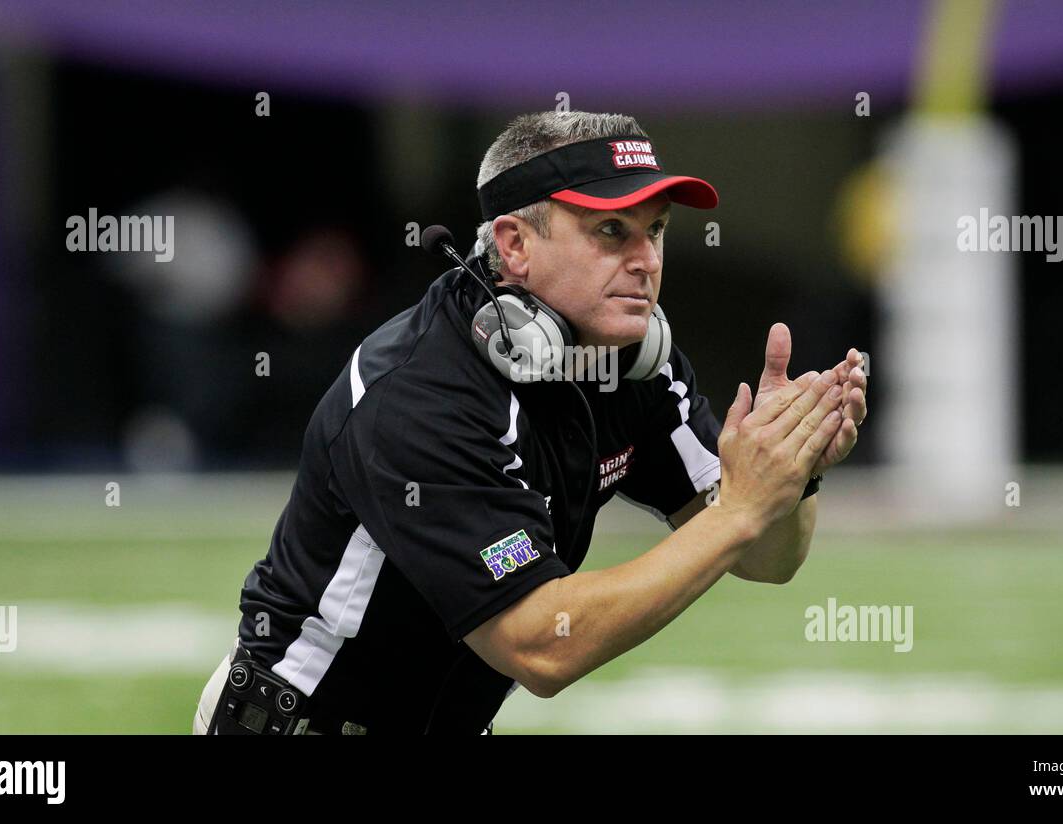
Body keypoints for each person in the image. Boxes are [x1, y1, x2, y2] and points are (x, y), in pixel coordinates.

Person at [194, 111, 867, 735]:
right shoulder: (419, 394)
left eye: (655, 229)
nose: (647, 260)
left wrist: (790, 473)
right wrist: (739, 512)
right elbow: (541, 645)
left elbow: (764, 558)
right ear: (515, 245)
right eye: (612, 231)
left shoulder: (632, 359)